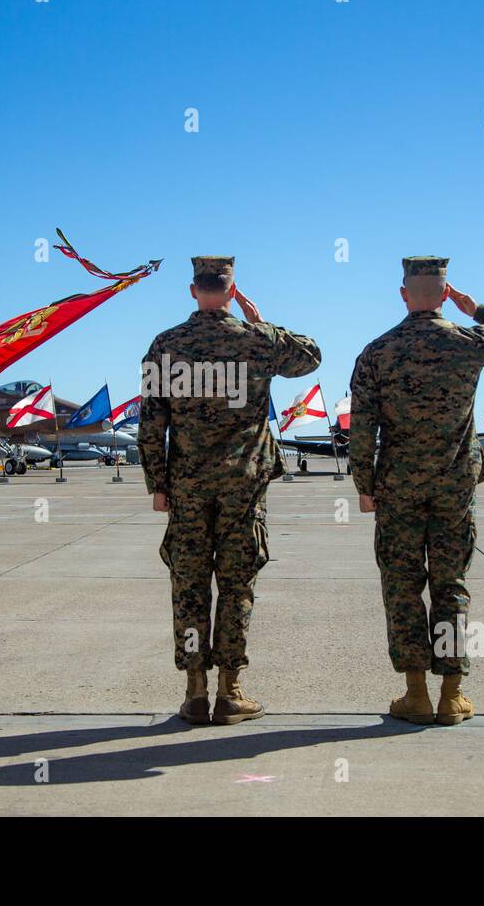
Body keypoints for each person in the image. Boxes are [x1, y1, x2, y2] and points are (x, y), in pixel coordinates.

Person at [348, 256, 484, 724]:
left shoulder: (378, 352)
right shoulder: (467, 342)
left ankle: (415, 694)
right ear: (444, 294)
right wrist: (476, 309)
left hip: (396, 486)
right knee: (450, 585)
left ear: (402, 294)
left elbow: (361, 427)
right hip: (454, 483)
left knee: (402, 586)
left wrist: (364, 484)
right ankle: (452, 695)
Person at [139, 255, 321, 724]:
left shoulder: (166, 344)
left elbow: (150, 423)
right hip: (243, 485)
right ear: (233, 288)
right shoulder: (257, 341)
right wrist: (261, 321)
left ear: (192, 290)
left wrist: (157, 485)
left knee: (189, 586)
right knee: (237, 585)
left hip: (188, 487)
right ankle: (230, 691)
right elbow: (310, 357)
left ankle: (195, 691)